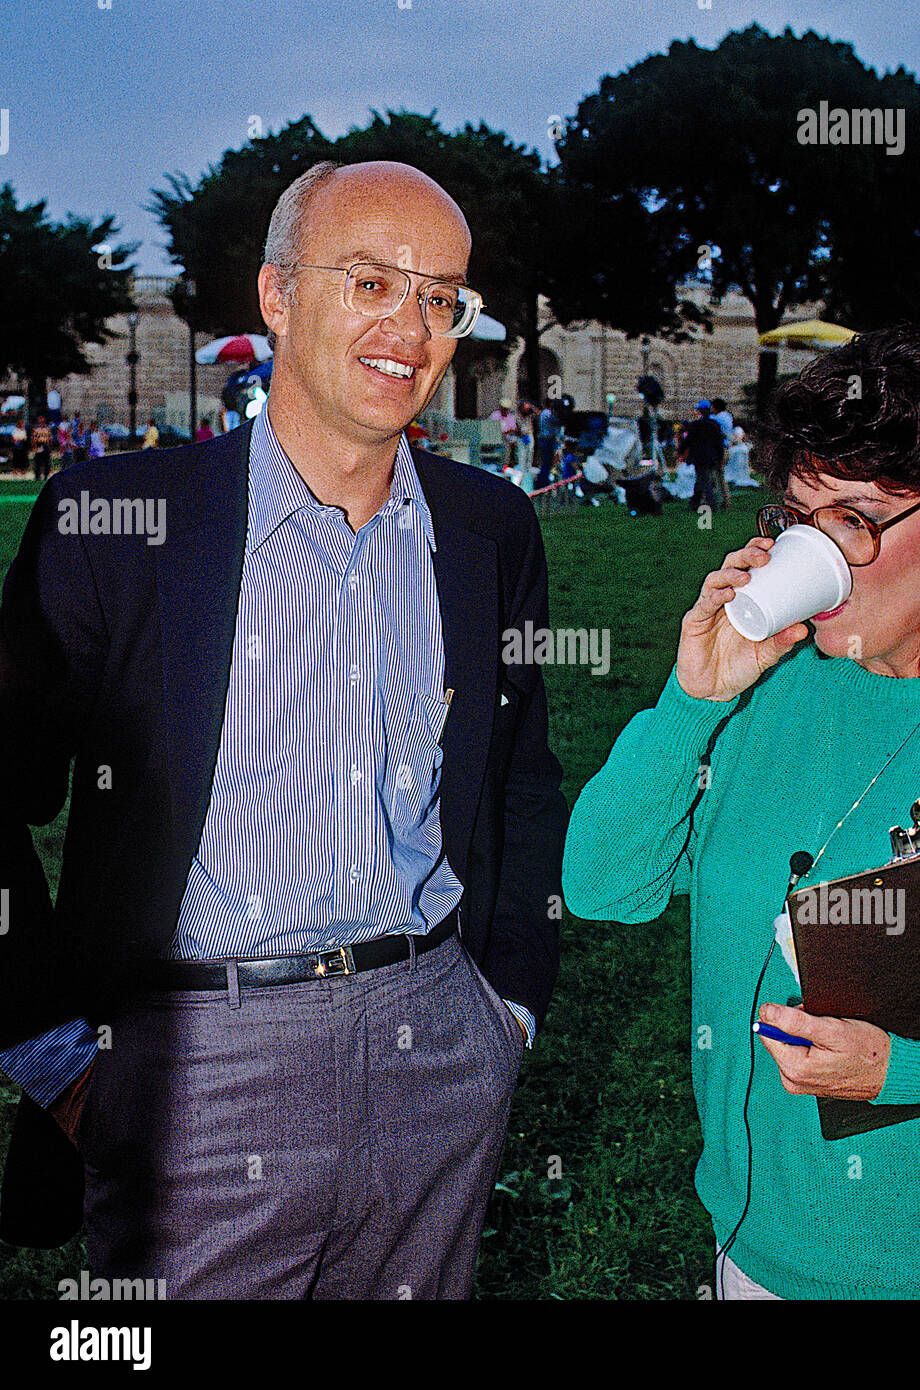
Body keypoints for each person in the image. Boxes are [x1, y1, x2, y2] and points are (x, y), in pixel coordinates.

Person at [0, 159, 568, 1299]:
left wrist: (505, 1009)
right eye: (370, 282)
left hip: (435, 1044)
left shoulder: (488, 529)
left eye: (440, 297)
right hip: (192, 1068)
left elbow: (517, 775)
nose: (409, 328)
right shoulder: (116, 526)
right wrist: (57, 1056)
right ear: (276, 295)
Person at [563, 324, 920, 1300]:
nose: (812, 552)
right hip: (764, 1255)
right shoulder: (765, 690)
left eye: (854, 519)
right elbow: (603, 885)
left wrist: (915, 1070)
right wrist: (691, 701)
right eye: (798, 516)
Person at [678, 399, 726, 513]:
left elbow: (688, 440)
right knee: (701, 480)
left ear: (700, 411)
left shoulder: (695, 425)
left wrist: (680, 451)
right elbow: (719, 443)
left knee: (704, 481)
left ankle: (712, 505)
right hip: (712, 457)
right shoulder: (715, 425)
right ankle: (694, 503)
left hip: (699, 457)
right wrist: (720, 457)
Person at [535, 401, 560, 489]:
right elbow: (556, 421)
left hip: (545, 439)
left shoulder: (543, 413)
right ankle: (542, 482)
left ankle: (543, 480)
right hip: (547, 440)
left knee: (547, 462)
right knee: (546, 461)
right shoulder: (548, 413)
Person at [489, 398, 518, 473]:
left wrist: (506, 432)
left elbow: (513, 429)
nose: (505, 410)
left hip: (507, 439)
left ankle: (507, 466)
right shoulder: (495, 415)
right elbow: (490, 427)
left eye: (506, 409)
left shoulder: (511, 417)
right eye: (503, 408)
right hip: (495, 438)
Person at [31, 415, 52, 481]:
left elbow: (49, 438)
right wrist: (35, 447)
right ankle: (37, 476)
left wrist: (49, 447)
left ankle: (46, 475)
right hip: (39, 444)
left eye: (42, 421)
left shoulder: (47, 429)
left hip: (45, 444)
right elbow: (33, 439)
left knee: (47, 462)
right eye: (40, 421)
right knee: (38, 462)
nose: (41, 422)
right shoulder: (36, 429)